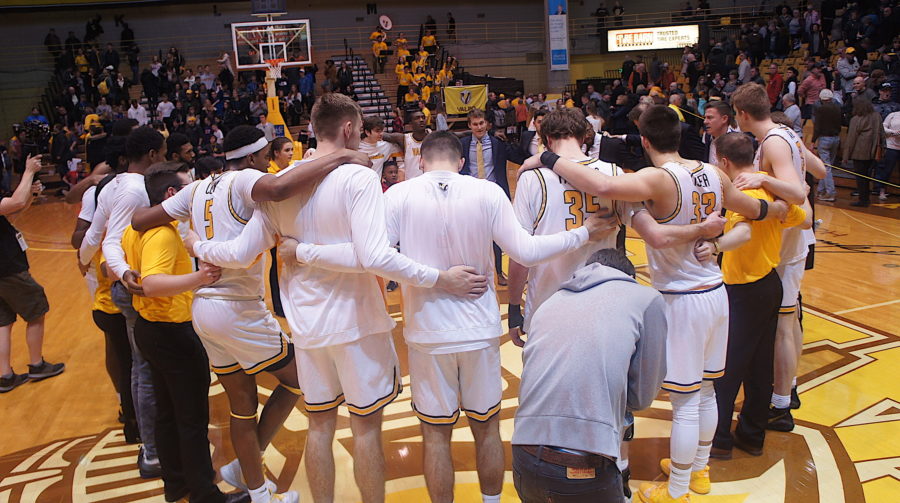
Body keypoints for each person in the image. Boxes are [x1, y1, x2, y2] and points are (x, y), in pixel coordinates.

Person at [188, 93, 487, 502]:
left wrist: (197, 246)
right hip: (357, 324)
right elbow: (373, 257)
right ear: (348, 129)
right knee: (365, 429)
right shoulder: (357, 177)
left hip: (307, 329)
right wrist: (441, 279)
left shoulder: (281, 181)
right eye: (360, 130)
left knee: (319, 426)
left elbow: (240, 254)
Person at [287, 131, 615, 503]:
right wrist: (583, 233)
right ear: (461, 162)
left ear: (420, 160)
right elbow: (526, 251)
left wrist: (303, 252)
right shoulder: (487, 191)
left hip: (427, 332)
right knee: (487, 428)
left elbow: (373, 258)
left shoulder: (397, 194)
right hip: (479, 330)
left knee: (435, 435)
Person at [519, 105, 790, 503]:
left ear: (644, 140)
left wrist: (546, 156)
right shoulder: (713, 173)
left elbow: (607, 189)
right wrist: (772, 210)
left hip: (681, 297)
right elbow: (751, 211)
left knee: (685, 400)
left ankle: (677, 489)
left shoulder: (655, 179)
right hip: (717, 292)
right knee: (707, 392)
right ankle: (699, 471)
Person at [132, 124, 372, 501]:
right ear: (252, 157)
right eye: (265, 158)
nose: (268, 166)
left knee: (242, 404)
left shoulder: (196, 188)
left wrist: (187, 236)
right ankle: (248, 469)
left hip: (204, 309)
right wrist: (341, 155)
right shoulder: (244, 179)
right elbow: (276, 189)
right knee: (302, 380)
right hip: (237, 308)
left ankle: (255, 488)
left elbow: (139, 220)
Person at [123, 162, 248, 503]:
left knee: (167, 414)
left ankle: (176, 485)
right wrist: (200, 278)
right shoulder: (162, 233)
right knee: (192, 418)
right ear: (171, 194)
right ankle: (205, 494)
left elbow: (127, 263)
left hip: (150, 329)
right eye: (188, 188)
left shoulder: (138, 228)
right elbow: (152, 284)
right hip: (172, 332)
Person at [512, 249, 667, 502]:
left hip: (523, 456)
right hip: (584, 466)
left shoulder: (551, 301)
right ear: (629, 277)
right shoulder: (646, 298)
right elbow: (641, 398)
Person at [695, 133, 810, 460]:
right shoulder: (770, 189)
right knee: (760, 367)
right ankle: (752, 435)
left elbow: (744, 232)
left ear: (724, 162)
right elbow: (804, 218)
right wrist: (778, 204)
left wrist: (715, 245)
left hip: (744, 288)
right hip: (770, 284)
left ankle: (717, 439)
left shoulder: (744, 194)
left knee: (726, 366)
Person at [729, 83, 825, 431]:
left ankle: (780, 405)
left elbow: (798, 194)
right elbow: (820, 172)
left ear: (742, 114)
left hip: (786, 242)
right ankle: (789, 387)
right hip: (791, 238)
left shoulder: (773, 141)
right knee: (791, 317)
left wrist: (763, 179)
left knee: (784, 323)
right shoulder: (788, 133)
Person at [0, 155, 63, 393]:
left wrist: (31, 195)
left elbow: (12, 210)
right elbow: (15, 203)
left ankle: (5, 375)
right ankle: (37, 364)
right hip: (7, 266)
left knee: (3, 322)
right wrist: (27, 172)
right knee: (36, 310)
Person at [459, 109, 515, 285]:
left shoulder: (498, 143)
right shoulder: (462, 144)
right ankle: (474, 271)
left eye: (481, 123)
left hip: (493, 194)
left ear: (487, 124)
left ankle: (499, 272)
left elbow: (518, 155)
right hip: (469, 195)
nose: (479, 127)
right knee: (471, 235)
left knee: (496, 235)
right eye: (475, 124)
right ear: (470, 125)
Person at [844, 98, 884, 208]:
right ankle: (866, 198)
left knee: (860, 178)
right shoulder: (877, 116)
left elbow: (851, 139)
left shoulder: (856, 119)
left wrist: (846, 155)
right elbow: (882, 133)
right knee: (867, 177)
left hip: (859, 152)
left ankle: (863, 200)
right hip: (873, 151)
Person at [812, 89, 841, 202]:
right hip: (836, 138)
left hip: (824, 139)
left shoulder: (820, 109)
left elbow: (817, 127)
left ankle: (830, 193)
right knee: (828, 167)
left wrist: (813, 141)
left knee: (826, 168)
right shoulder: (838, 108)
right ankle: (821, 190)